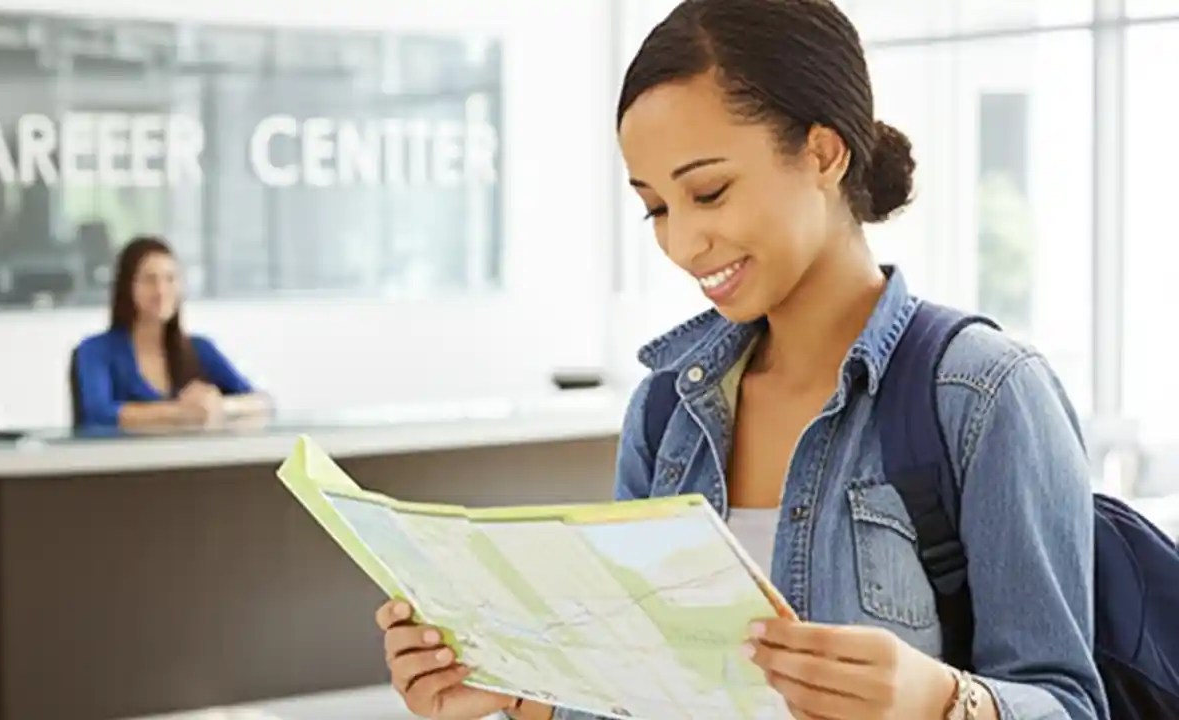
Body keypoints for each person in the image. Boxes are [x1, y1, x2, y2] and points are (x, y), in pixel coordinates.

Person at [374, 1, 1110, 719]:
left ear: (823, 152)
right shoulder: (667, 413)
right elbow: (635, 694)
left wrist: (943, 703)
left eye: (709, 191)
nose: (682, 244)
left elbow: (1069, 702)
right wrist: (517, 694)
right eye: (657, 208)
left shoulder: (983, 394)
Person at [72, 235, 271, 429]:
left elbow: (261, 402)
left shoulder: (199, 348)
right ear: (127, 287)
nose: (161, 290)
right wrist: (180, 412)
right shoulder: (95, 350)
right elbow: (99, 414)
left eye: (170, 279)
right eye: (149, 280)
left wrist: (218, 405)